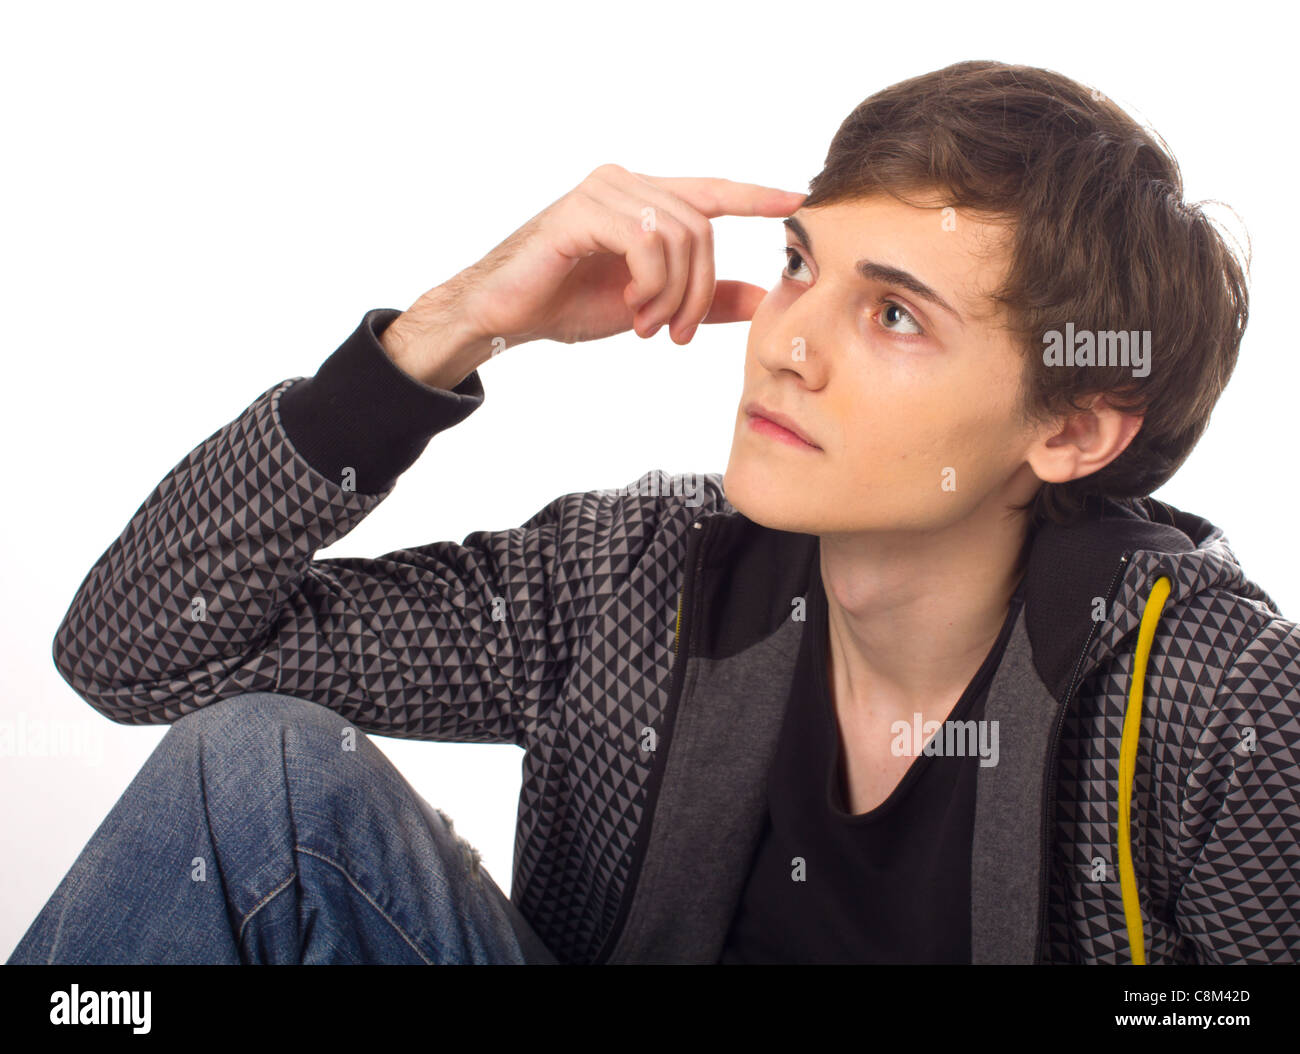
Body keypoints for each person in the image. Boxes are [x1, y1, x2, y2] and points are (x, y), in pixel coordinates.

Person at [10, 59, 1299, 966]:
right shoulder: (634, 582)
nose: (788, 344)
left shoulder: (1214, 706)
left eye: (895, 314)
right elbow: (141, 652)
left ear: (1070, 429)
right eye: (802, 266)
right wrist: (446, 335)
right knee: (262, 771)